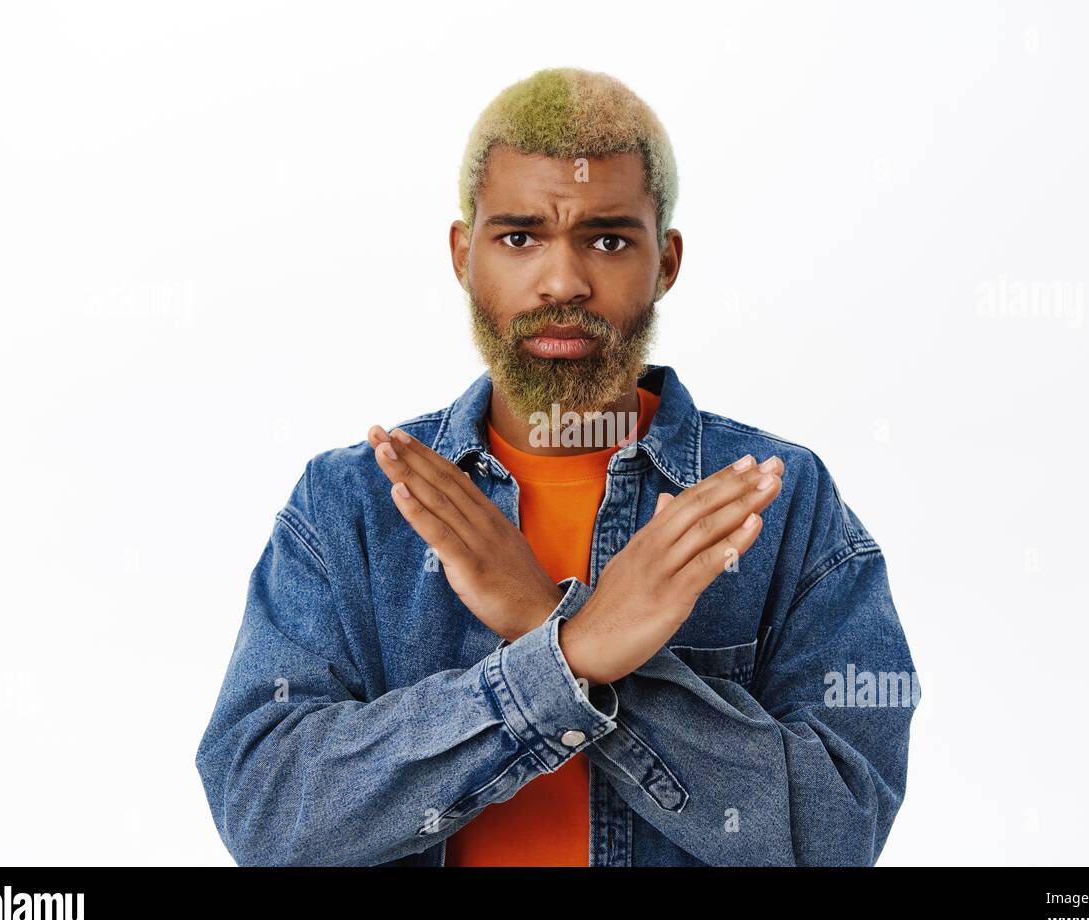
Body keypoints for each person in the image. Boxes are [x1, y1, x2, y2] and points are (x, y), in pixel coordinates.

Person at [195, 66, 920, 867]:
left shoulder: (779, 502)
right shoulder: (353, 502)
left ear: (666, 261)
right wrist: (571, 655)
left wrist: (541, 620)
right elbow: (266, 814)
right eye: (519, 237)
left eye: (607, 239)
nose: (563, 281)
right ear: (463, 254)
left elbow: (835, 833)